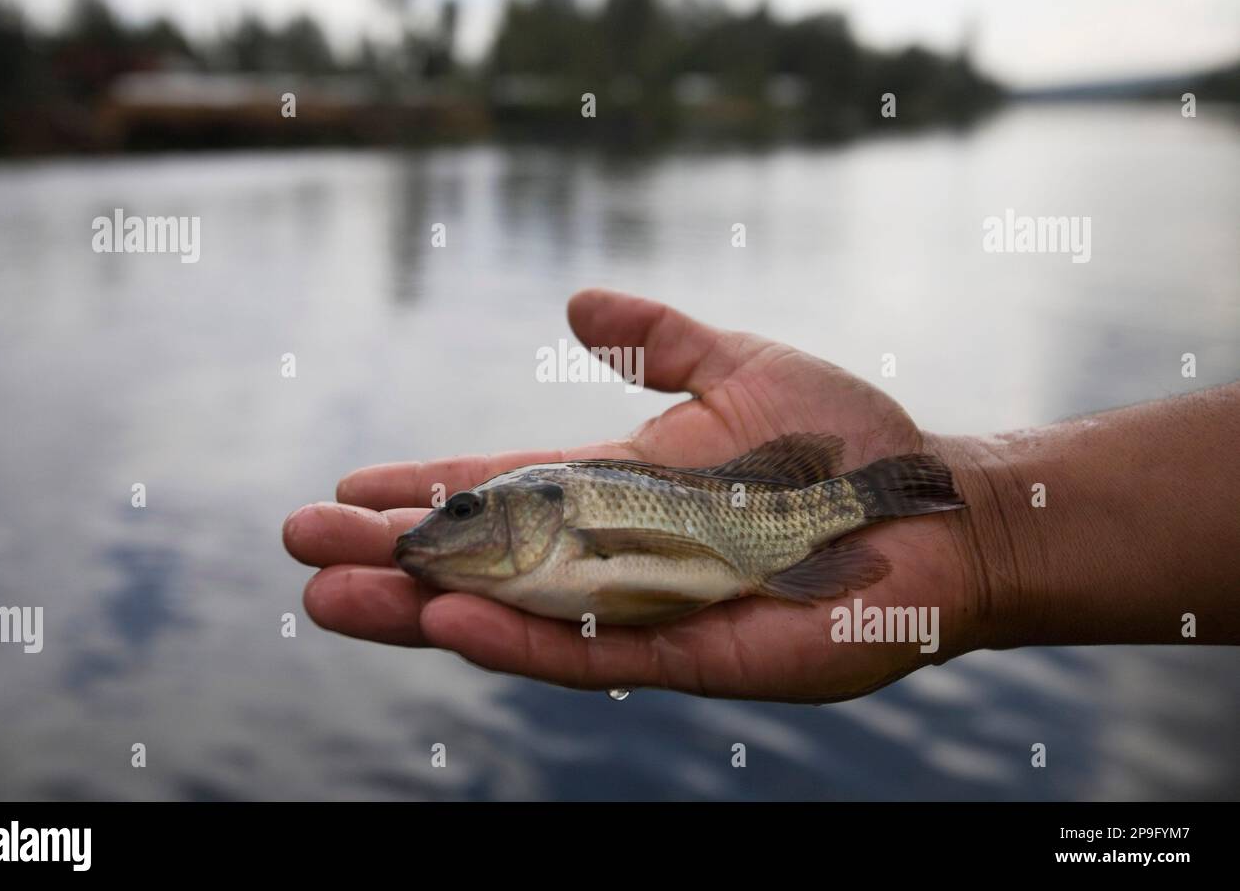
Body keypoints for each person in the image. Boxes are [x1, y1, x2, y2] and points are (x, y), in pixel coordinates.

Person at [282, 288, 1240, 703]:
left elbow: (649, 579)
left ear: (540, 516)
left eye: (464, 511)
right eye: (461, 510)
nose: (447, 524)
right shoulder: (541, 551)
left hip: (765, 525)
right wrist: (991, 530)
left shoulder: (565, 529)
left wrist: (989, 518)